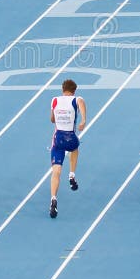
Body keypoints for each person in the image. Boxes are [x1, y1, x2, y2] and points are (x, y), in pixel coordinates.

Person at [49, 79, 87, 218]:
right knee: (75, 147)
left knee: (56, 172)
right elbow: (81, 105)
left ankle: (53, 198)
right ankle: (72, 174)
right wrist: (83, 120)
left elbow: (52, 119)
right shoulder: (77, 99)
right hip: (70, 137)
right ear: (74, 90)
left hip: (58, 139)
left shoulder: (54, 100)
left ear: (62, 89)